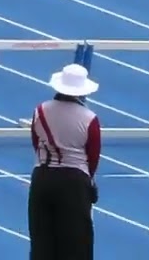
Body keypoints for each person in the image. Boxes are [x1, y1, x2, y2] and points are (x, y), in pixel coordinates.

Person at [28, 63, 101, 260]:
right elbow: (93, 156)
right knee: (76, 243)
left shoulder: (40, 110)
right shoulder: (89, 118)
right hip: (74, 182)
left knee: (42, 239)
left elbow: (36, 142)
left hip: (42, 178)